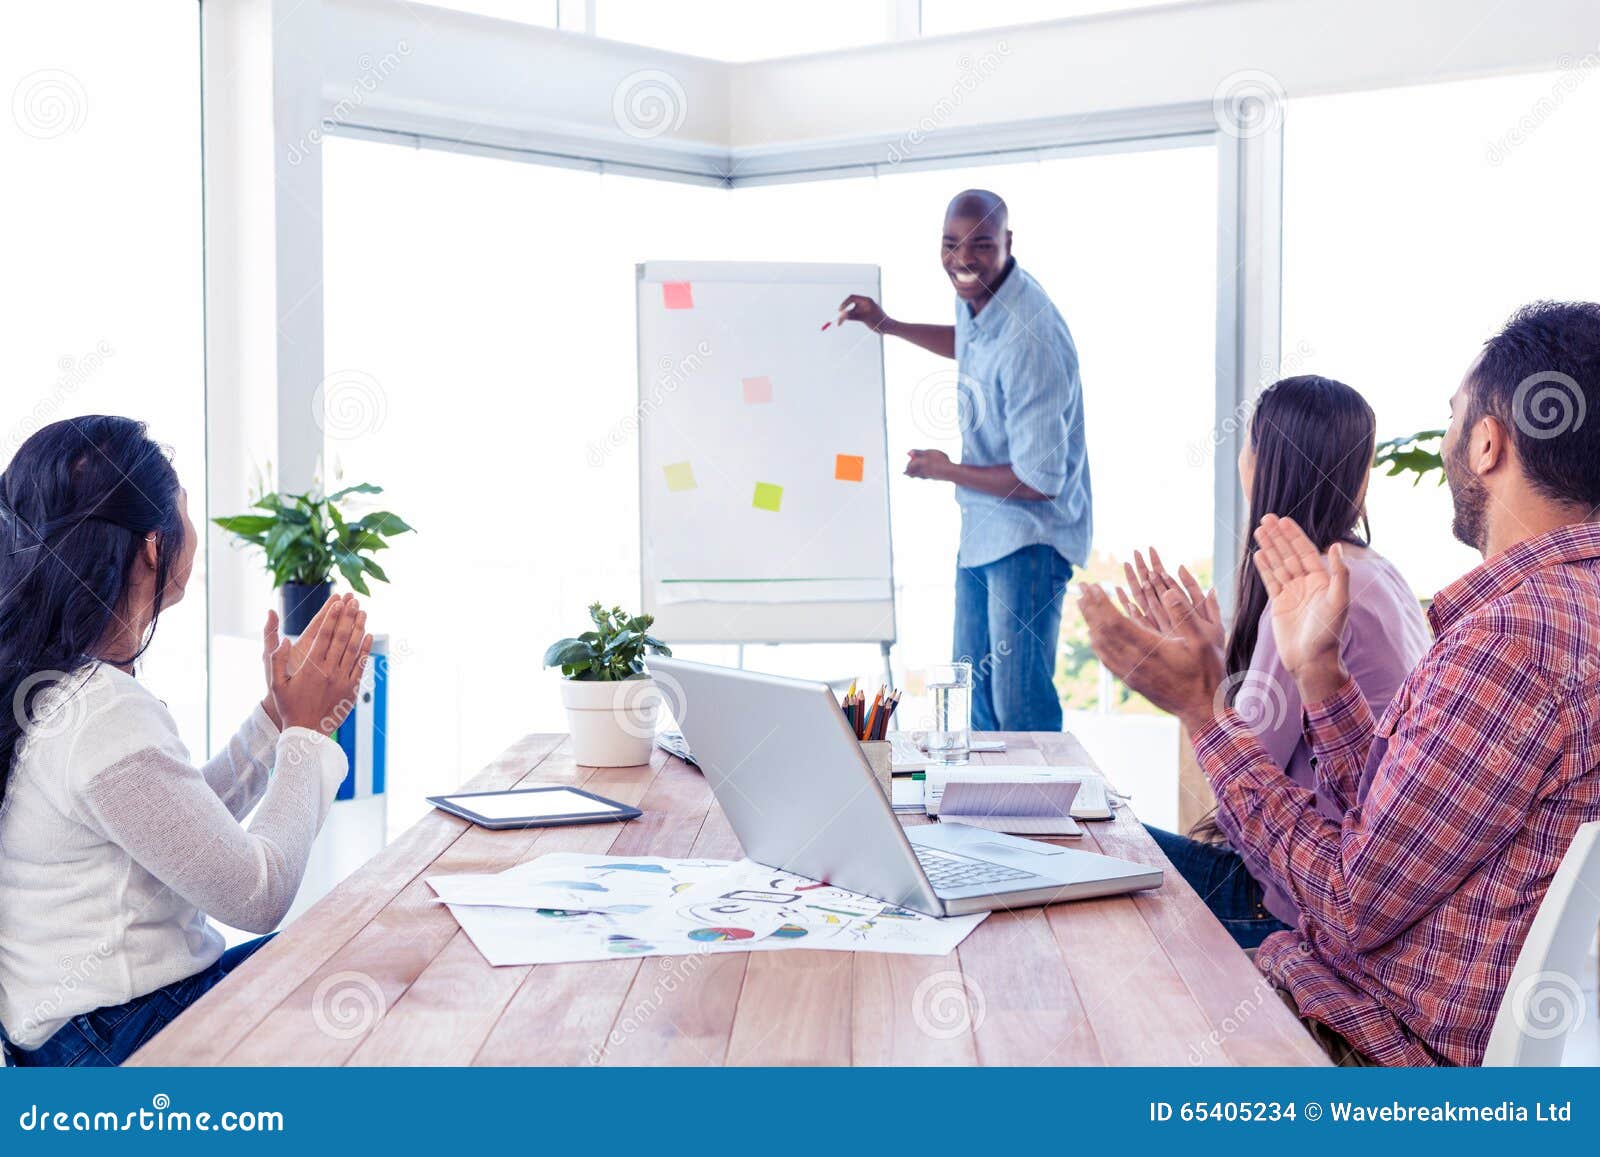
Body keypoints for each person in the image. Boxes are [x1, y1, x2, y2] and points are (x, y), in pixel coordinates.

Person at [1079, 301, 1600, 1066]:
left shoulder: (1514, 638)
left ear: (1488, 442)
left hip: (1365, 1042)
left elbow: (1352, 904)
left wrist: (1200, 710)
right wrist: (1320, 677)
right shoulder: (1561, 614)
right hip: (1379, 1003)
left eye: (1455, 418)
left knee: (1074, 960)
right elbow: (1391, 830)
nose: (1453, 439)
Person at [0, 416, 372, 1067]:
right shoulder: (101, 711)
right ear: (152, 546)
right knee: (367, 960)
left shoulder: (52, 682)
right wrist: (310, 734)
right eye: (185, 507)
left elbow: (177, 828)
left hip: (69, 1044)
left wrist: (277, 719)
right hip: (122, 1037)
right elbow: (257, 891)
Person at [1121, 377, 1430, 949]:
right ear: (1359, 476)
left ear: (1263, 463)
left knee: (1100, 850)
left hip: (1296, 909)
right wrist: (1215, 661)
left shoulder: (1309, 603)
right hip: (1354, 897)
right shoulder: (1374, 574)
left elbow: (1244, 797)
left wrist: (1200, 681)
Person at [839, 189, 1090, 732]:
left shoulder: (1032, 339)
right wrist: (888, 325)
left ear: (1008, 244)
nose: (962, 260)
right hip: (984, 525)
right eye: (951, 245)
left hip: (1030, 537)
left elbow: (1041, 479)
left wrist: (943, 468)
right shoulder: (979, 293)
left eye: (979, 245)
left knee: (1017, 707)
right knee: (969, 694)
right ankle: (986, 815)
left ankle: (1038, 815)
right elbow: (974, 344)